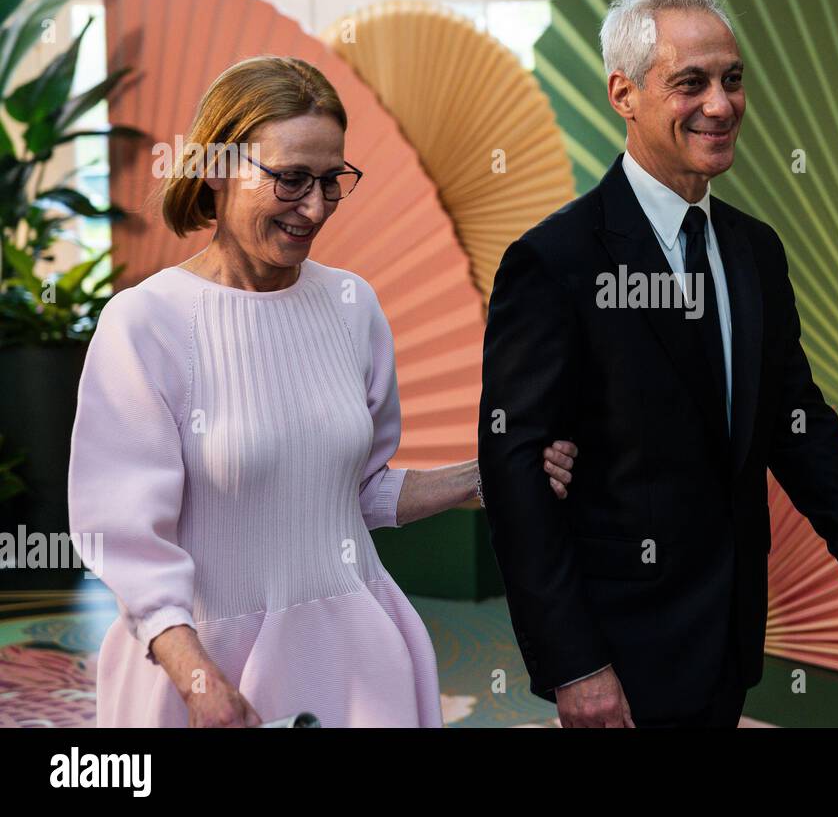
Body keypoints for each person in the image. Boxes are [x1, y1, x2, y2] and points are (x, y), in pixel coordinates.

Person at [68, 55, 577, 727]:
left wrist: (487, 477)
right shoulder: (146, 324)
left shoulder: (351, 304)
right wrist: (200, 686)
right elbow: (125, 543)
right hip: (204, 672)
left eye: (331, 180)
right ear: (216, 169)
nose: (314, 207)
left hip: (357, 659)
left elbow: (355, 493)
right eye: (290, 179)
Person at [478, 0, 838, 728]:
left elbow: (792, 415)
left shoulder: (755, 250)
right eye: (691, 83)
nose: (721, 104)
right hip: (616, 650)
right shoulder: (554, 262)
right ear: (624, 94)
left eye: (732, 79)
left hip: (730, 641)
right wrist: (575, 663)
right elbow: (516, 474)